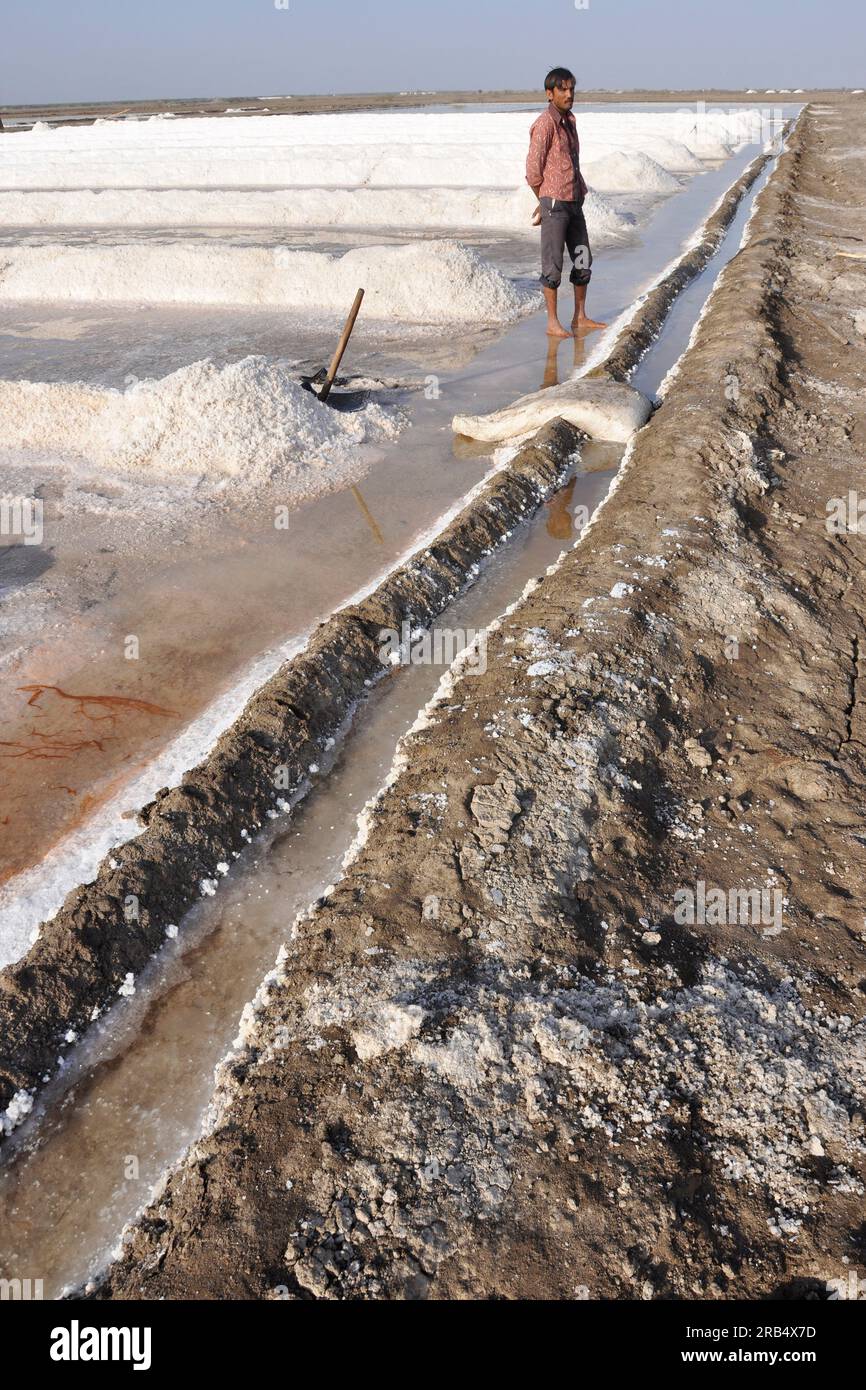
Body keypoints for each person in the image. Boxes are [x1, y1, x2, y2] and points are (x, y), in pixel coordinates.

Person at [526, 66, 606, 338]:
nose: (569, 94)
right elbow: (533, 171)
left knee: (583, 258)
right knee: (553, 265)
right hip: (555, 205)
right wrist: (544, 200)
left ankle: (580, 317)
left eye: (572, 88)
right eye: (563, 89)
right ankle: (552, 322)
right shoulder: (545, 124)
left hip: (574, 202)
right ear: (550, 93)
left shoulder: (569, 121)